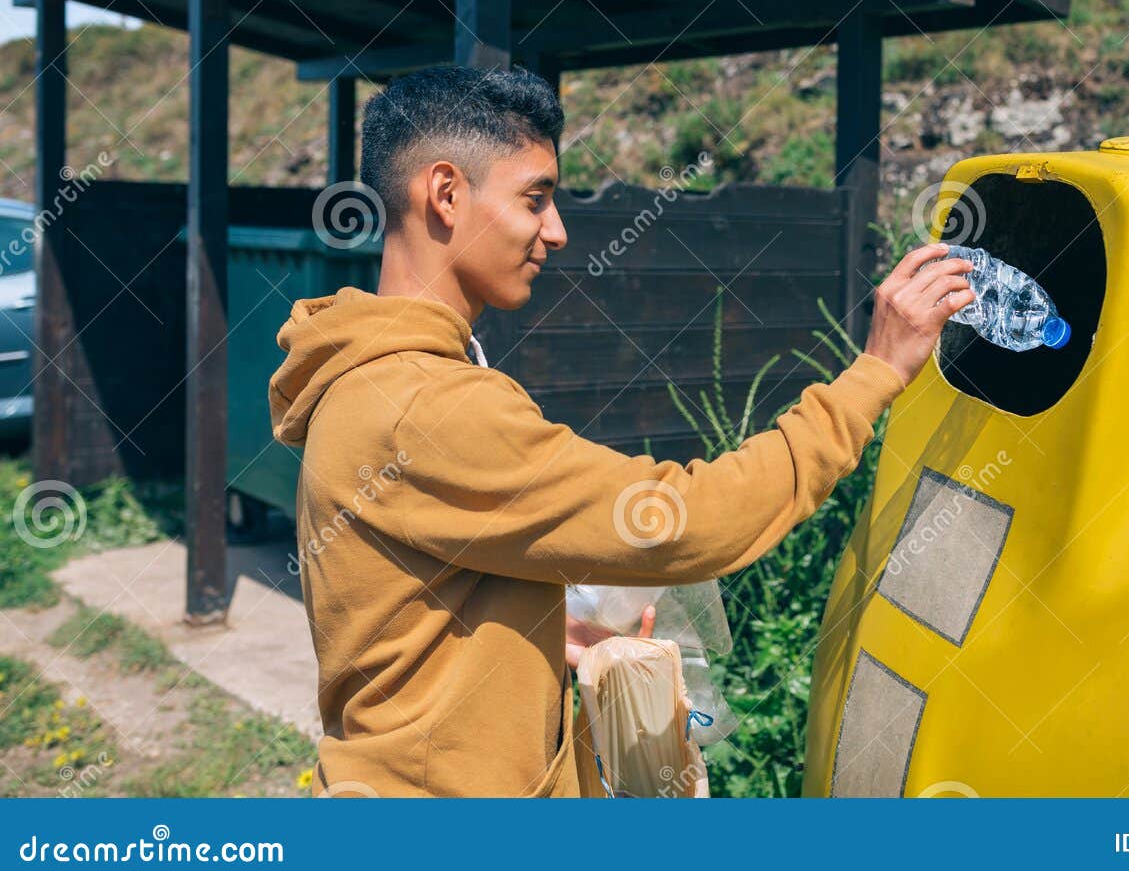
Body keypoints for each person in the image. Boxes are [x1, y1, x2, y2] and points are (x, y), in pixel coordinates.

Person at [268, 65, 975, 797]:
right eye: (535, 198)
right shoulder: (426, 405)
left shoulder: (370, 375)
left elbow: (414, 615)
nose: (557, 231)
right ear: (446, 194)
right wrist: (876, 373)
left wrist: (540, 635)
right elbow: (688, 520)